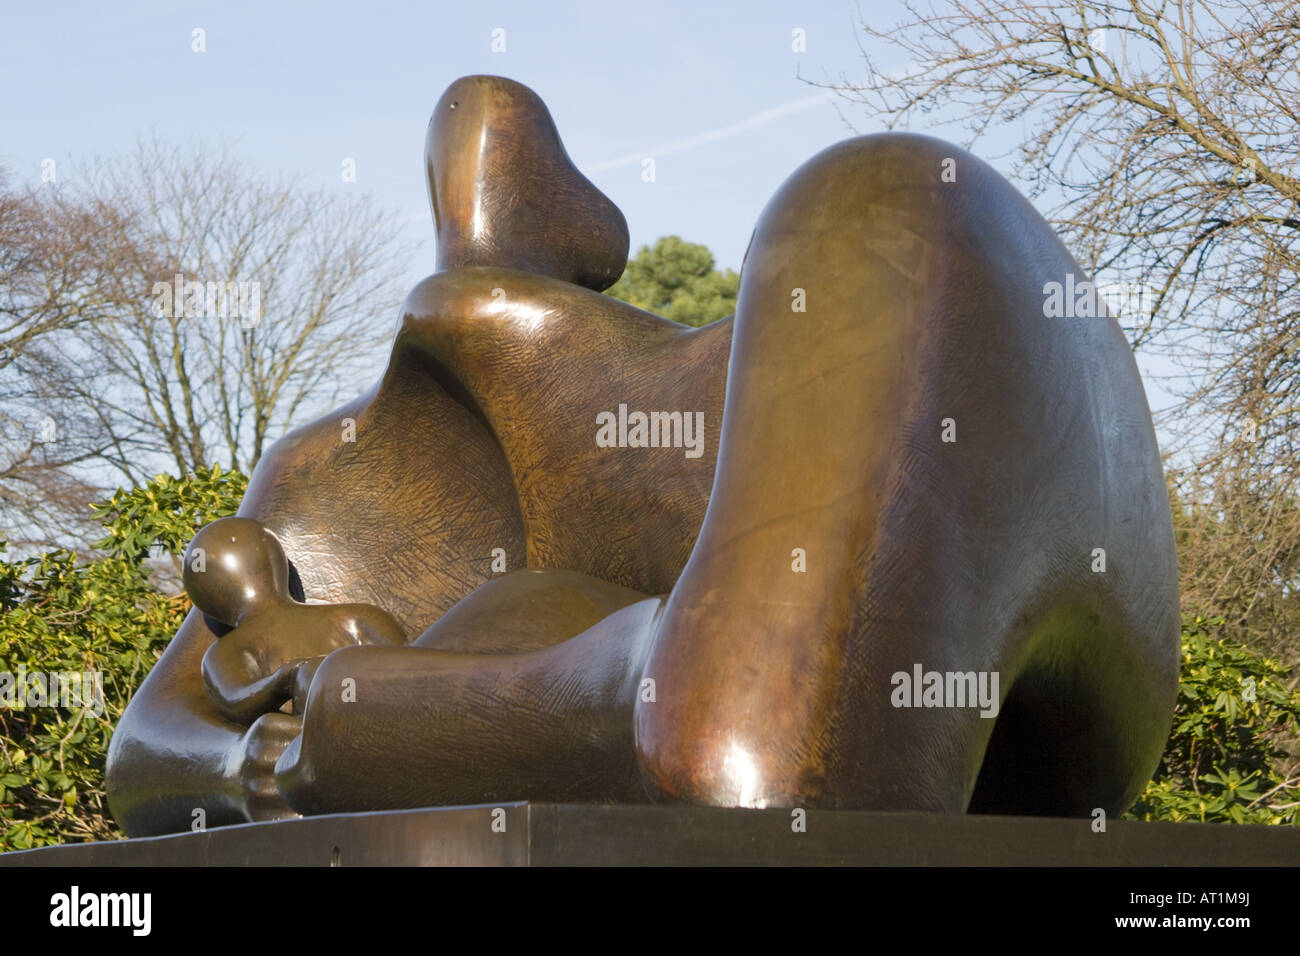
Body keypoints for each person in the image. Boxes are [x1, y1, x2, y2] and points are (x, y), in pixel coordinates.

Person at [106, 76, 1178, 835]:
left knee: (875, 209)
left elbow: (747, 760)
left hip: (959, 323)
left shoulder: (881, 233)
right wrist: (296, 745)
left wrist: (336, 725)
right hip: (741, 648)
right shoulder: (353, 474)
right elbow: (148, 757)